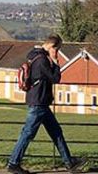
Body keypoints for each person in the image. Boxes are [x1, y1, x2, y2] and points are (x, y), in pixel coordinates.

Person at [6, 35, 85, 174]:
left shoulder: (34, 56)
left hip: (40, 102)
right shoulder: (42, 60)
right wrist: (55, 61)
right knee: (27, 134)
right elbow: (55, 78)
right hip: (39, 103)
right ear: (52, 46)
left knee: (56, 133)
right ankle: (13, 163)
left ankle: (69, 163)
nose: (58, 51)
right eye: (58, 48)